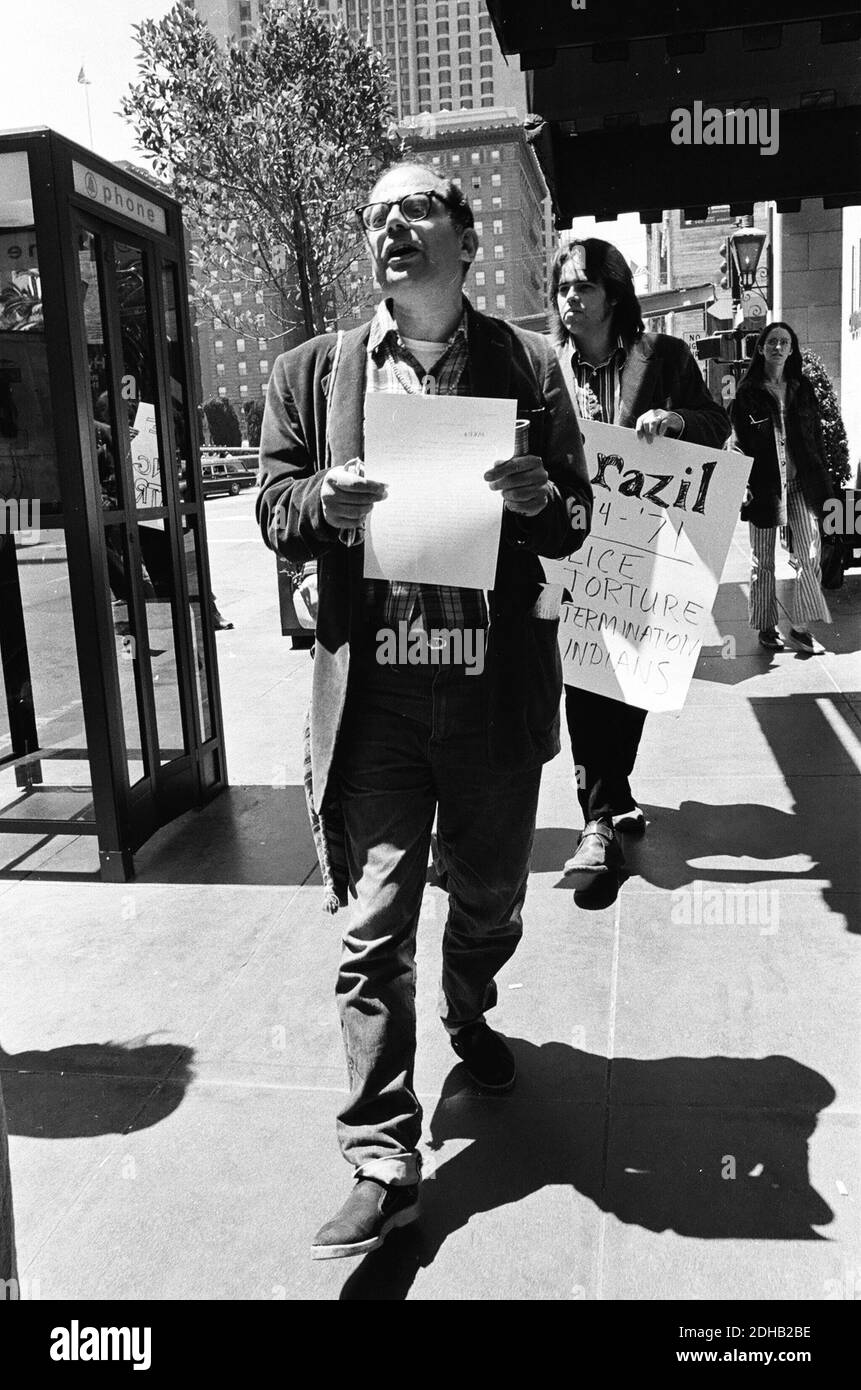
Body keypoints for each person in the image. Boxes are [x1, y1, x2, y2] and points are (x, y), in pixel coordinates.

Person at [257, 159, 592, 1259]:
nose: (392, 227)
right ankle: (382, 1155)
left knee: (488, 896)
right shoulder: (315, 372)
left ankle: (469, 1001)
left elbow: (578, 522)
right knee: (371, 926)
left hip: (492, 690)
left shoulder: (529, 366)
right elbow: (273, 504)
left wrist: (545, 501)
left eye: (416, 211)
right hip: (380, 698)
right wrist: (323, 502)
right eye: (376, 216)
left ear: (465, 240)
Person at [550, 239, 730, 882]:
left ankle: (616, 791)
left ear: (615, 294)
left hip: (648, 548)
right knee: (583, 677)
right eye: (564, 287)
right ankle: (596, 819)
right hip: (573, 549)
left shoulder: (668, 357)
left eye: (584, 288)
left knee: (630, 680)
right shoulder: (550, 366)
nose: (570, 298)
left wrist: (676, 421)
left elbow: (717, 424)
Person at [729, 321, 834, 654]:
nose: (777, 347)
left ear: (792, 350)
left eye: (784, 342)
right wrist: (743, 483)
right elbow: (737, 443)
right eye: (771, 341)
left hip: (801, 485)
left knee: (808, 554)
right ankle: (765, 625)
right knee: (764, 562)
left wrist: (823, 478)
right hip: (764, 487)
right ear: (761, 348)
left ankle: (800, 628)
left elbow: (816, 437)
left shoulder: (802, 389)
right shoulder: (748, 393)